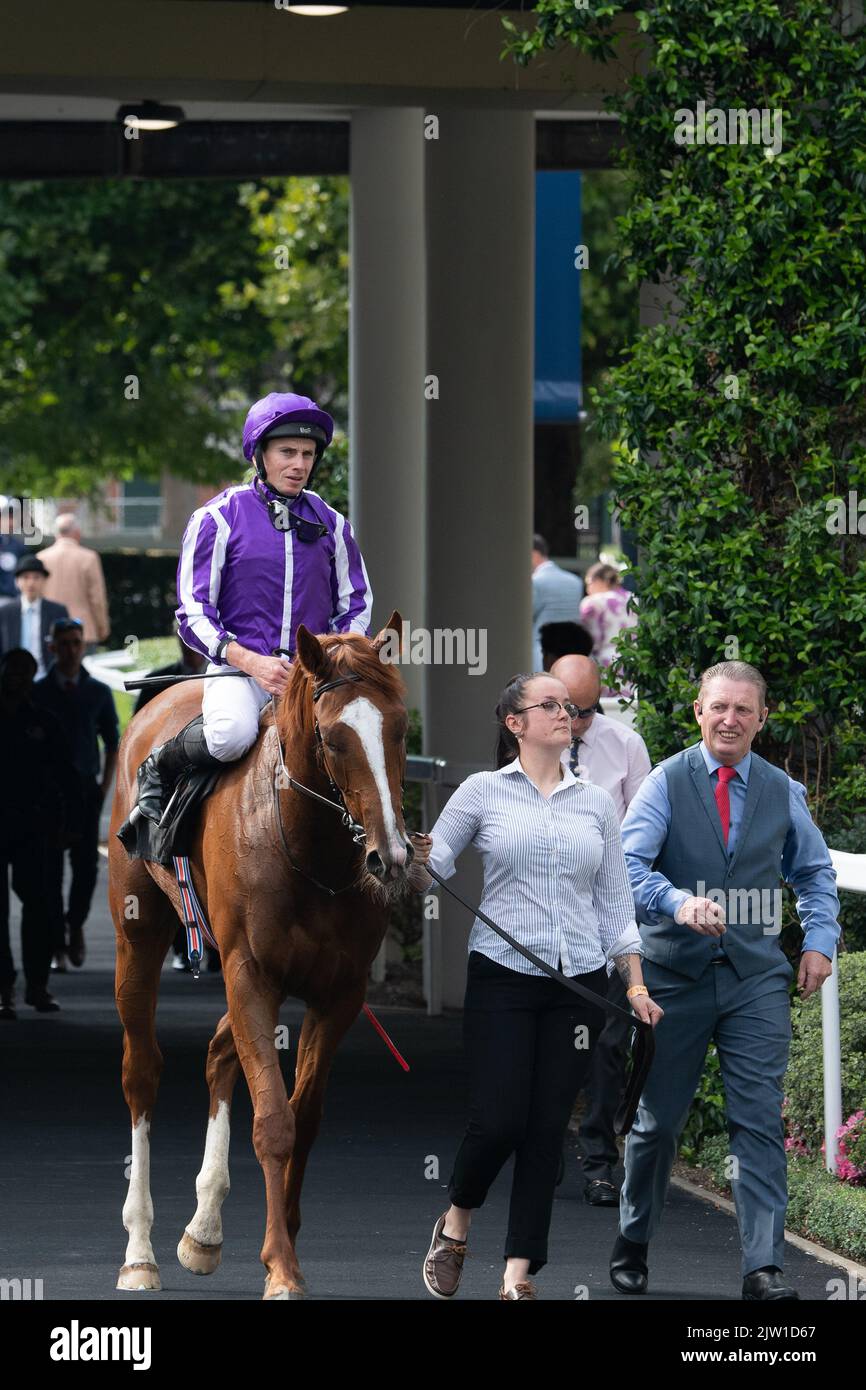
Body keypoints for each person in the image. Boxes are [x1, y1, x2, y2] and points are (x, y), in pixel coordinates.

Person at [412, 671, 662, 1301]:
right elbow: (429, 873)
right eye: (547, 704)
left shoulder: (597, 805)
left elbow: (615, 907)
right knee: (498, 1121)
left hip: (576, 985)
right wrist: (406, 858)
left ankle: (519, 1273)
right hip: (501, 975)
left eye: (568, 705)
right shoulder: (481, 792)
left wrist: (634, 987)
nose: (563, 711)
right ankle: (456, 1219)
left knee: (547, 1128)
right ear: (514, 723)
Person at [613, 660, 840, 1302]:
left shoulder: (781, 790)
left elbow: (815, 874)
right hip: (671, 976)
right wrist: (678, 902)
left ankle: (763, 1268)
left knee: (759, 1121)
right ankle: (633, 1235)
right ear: (698, 712)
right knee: (658, 1122)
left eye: (744, 710)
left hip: (755, 979)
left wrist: (819, 942)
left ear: (762, 719)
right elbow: (626, 868)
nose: (730, 720)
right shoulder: (665, 782)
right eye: (719, 707)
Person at [129, 392, 373, 826]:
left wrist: (326, 657)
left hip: (312, 675)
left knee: (361, 733)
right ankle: (161, 764)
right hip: (239, 670)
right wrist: (248, 660)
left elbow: (355, 604)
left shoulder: (333, 524)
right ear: (260, 454)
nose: (299, 465)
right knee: (230, 736)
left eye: (307, 454)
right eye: (287, 453)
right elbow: (192, 610)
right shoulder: (218, 518)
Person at [549, 654, 652, 1204]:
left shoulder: (625, 746)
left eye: (587, 711)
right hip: (544, 920)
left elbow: (641, 831)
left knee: (610, 1043)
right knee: (549, 1041)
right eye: (568, 709)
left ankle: (598, 1161)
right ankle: (543, 1151)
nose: (578, 723)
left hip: (606, 917)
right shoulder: (528, 737)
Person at [32, 618, 119, 969]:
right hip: (46, 794)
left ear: (83, 646)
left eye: (75, 643)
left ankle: (75, 924)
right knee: (49, 871)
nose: (70, 650)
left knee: (85, 870)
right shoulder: (37, 691)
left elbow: (113, 742)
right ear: (52, 647)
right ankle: (56, 940)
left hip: (84, 791)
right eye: (63, 643)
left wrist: (103, 786)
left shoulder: (97, 691)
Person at [0, 648, 81, 1016]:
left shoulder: (45, 722)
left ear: (31, 676)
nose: (15, 676)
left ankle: (37, 986)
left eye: (23, 670)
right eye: (10, 669)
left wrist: (70, 824)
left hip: (35, 826)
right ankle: (4, 990)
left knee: (40, 907)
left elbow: (68, 777)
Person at [38, 514, 111, 654]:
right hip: (83, 630)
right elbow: (97, 598)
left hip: (50, 630)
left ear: (56, 533)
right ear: (77, 533)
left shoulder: (41, 558)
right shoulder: (89, 557)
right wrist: (102, 628)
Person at [0, 555, 69, 678]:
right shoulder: (5, 612)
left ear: (44, 581)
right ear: (17, 581)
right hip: (12, 679)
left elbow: (65, 649)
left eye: (36, 578)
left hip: (47, 677)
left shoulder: (57, 611)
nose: (31, 583)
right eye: (25, 578)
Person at [579, 561, 638, 697]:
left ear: (599, 580)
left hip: (606, 662)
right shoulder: (635, 599)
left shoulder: (592, 603)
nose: (587, 588)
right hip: (635, 660)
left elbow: (590, 640)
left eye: (589, 582)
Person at [531, 534, 584, 670]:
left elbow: (527, 614)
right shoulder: (575, 581)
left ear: (534, 554)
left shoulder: (535, 581)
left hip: (541, 652)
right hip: (574, 654)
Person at [133, 629, 207, 716]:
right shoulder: (154, 683)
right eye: (184, 638)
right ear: (178, 637)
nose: (189, 645)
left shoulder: (223, 679)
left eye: (195, 637)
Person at [0, 498, 27, 601]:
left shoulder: (20, 546)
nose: (10, 523)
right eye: (7, 518)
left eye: (13, 519)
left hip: (12, 597)